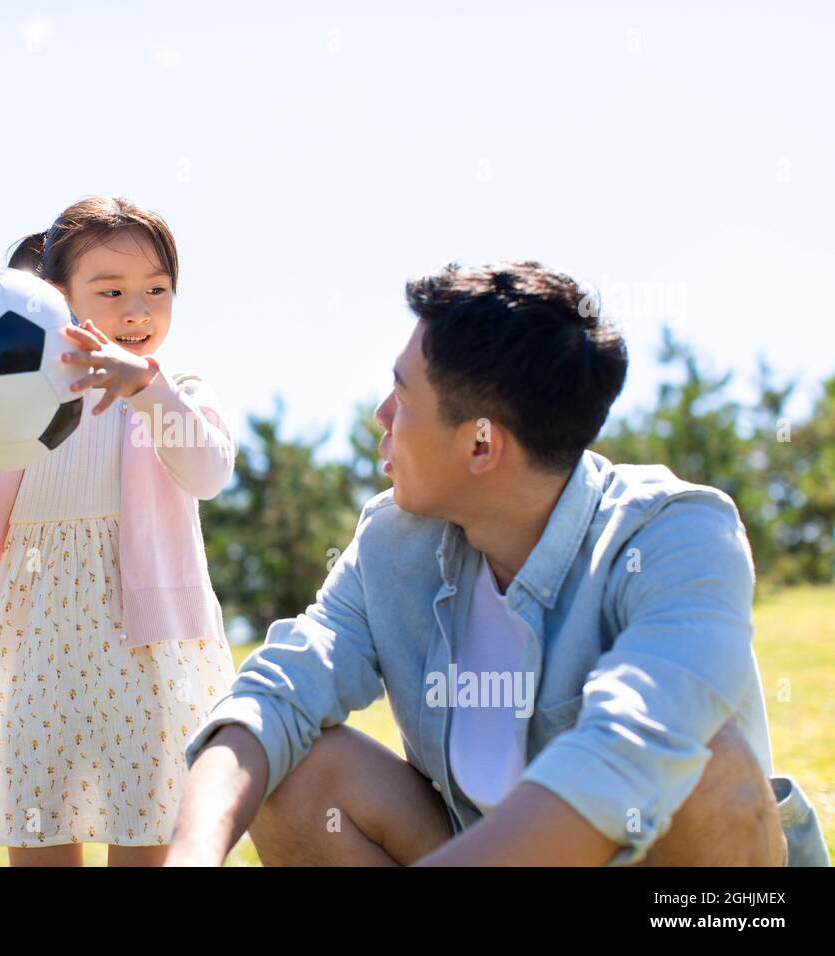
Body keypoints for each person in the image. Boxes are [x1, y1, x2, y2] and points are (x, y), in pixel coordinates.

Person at [165, 260, 830, 867]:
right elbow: (278, 693)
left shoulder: (679, 537)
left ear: (482, 444)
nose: (381, 415)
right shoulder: (393, 543)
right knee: (299, 770)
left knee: (706, 766)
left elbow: (625, 760)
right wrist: (193, 854)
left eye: (403, 394)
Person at [0, 195, 237, 866]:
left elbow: (209, 469)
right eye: (112, 291)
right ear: (54, 299)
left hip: (143, 650)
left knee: (143, 832)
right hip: (34, 646)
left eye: (157, 290)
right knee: (39, 833)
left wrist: (148, 390)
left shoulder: (176, 386)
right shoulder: (17, 395)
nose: (139, 309)